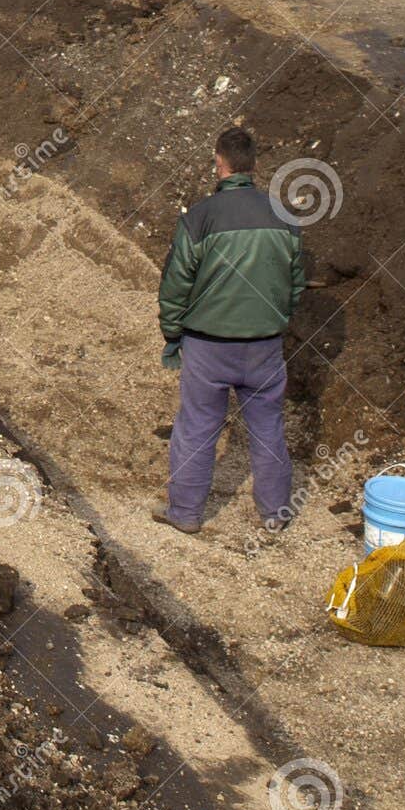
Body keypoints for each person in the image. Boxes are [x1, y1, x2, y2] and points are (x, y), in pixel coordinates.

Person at [154, 126, 305, 535]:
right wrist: (278, 322)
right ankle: (275, 513)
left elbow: (175, 286)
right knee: (268, 426)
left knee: (198, 426)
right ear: (253, 166)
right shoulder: (284, 218)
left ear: (219, 163)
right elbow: (294, 284)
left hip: (208, 346)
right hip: (264, 347)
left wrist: (173, 336)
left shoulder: (200, 218)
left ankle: (185, 514)